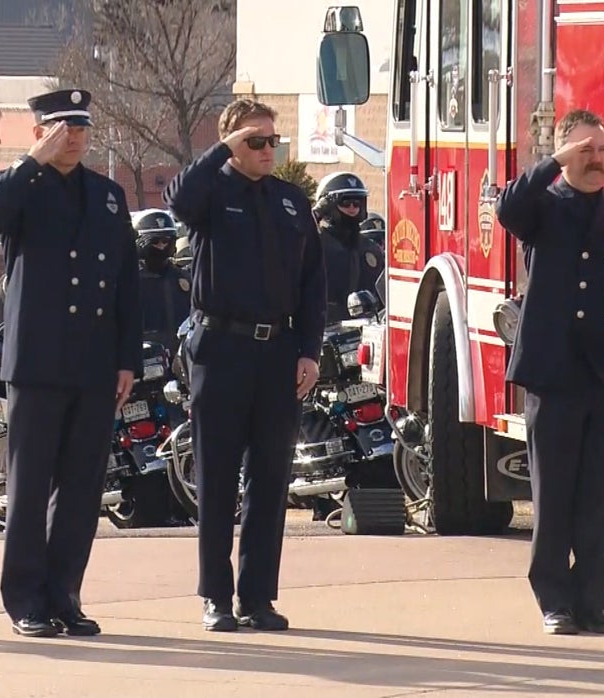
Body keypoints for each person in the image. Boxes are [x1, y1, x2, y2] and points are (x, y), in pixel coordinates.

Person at [0, 87, 142, 638]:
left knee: (80, 488)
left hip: (94, 362)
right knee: (29, 486)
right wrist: (30, 162)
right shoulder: (23, 187)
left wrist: (127, 358)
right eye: (60, 128)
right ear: (38, 130)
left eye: (80, 128)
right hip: (38, 362)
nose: (72, 137)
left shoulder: (109, 195)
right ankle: (25, 597)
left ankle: (64, 594)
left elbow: (126, 284)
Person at [162, 98, 327, 632]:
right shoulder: (212, 192)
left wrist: (309, 349)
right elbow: (178, 200)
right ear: (231, 143)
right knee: (217, 475)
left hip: (277, 351)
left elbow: (312, 284)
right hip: (221, 347)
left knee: (270, 477)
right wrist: (219, 154)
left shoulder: (290, 202)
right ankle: (216, 595)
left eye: (271, 141)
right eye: (254, 142)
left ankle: (258, 597)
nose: (266, 150)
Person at [495, 108, 604, 636]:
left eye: (602, 151)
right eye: (584, 150)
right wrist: (550, 164)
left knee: (600, 496)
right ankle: (554, 599)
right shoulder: (542, 208)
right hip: (557, 374)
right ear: (564, 154)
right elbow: (507, 209)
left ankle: (593, 601)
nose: (595, 160)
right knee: (556, 492)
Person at [312, 172, 386, 323]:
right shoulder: (314, 243)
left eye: (357, 203)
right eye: (345, 202)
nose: (352, 208)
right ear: (327, 206)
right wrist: (316, 212)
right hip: (324, 328)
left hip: (366, 330)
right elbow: (291, 238)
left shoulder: (371, 249)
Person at [132, 208, 192, 358]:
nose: (161, 246)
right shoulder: (128, 282)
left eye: (166, 241)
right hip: (145, 361)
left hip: (182, 358)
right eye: (155, 241)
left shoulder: (183, 279)